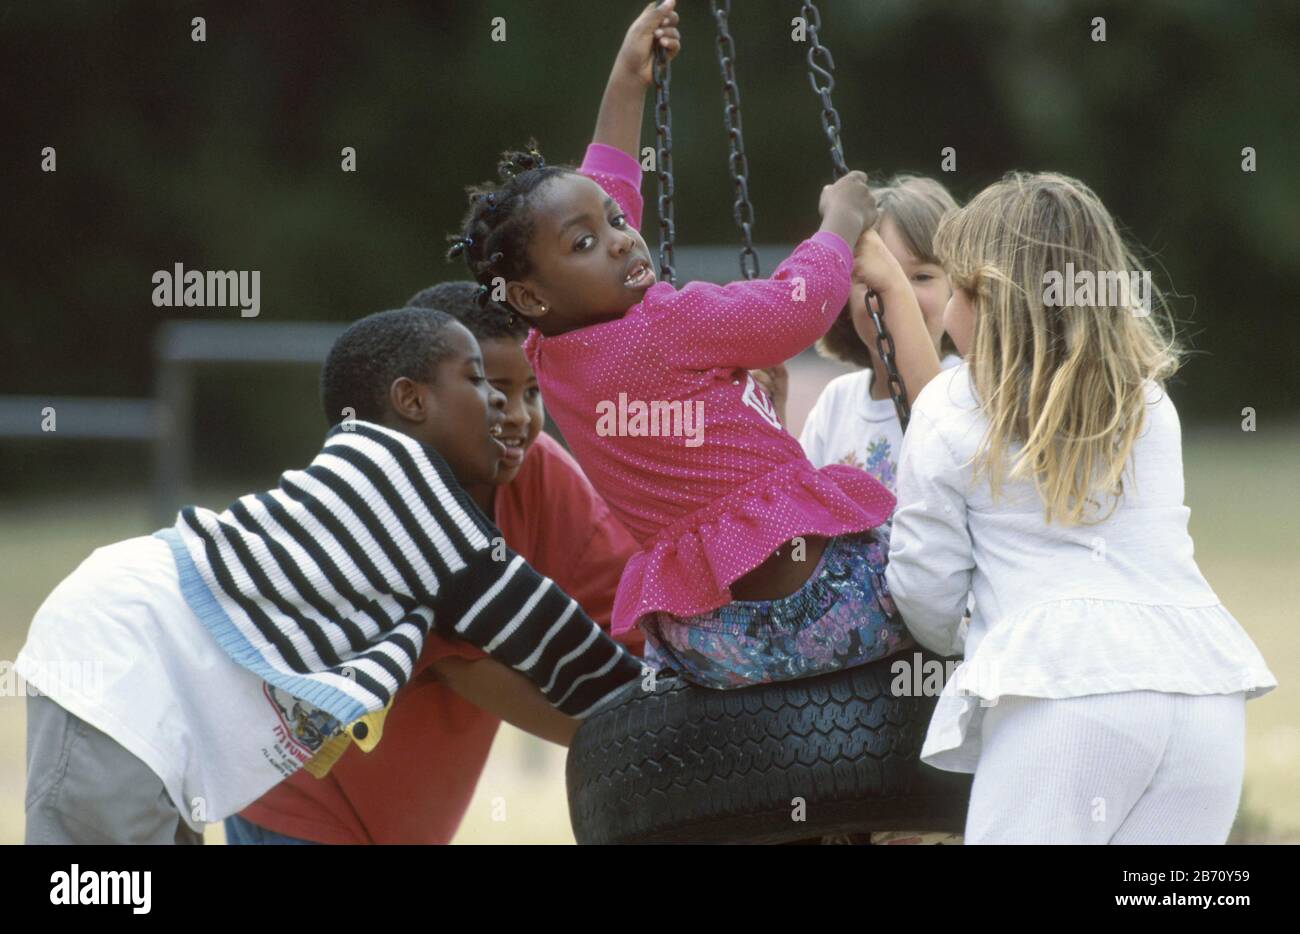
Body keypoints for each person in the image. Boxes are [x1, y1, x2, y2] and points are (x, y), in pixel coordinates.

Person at [447, 0, 941, 690]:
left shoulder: (548, 355)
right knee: (947, 558)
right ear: (534, 296)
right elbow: (794, 312)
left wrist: (626, 79)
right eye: (586, 242)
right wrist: (838, 225)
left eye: (618, 222)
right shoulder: (668, 324)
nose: (621, 237)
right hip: (829, 609)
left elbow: (603, 190)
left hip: (715, 647)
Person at [18, 306, 642, 844]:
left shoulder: (373, 471)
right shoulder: (406, 492)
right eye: (479, 381)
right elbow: (536, 624)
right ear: (411, 401)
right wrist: (652, 701)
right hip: (125, 652)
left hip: (154, 666)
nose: (501, 407)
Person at [886, 171, 1277, 844]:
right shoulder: (1149, 403)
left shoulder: (948, 407)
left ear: (990, 299)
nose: (946, 316)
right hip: (1203, 703)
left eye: (957, 291)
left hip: (1065, 702)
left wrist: (977, 641)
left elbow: (924, 590)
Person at [227, 283, 643, 844]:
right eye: (491, 388)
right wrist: (650, 735)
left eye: (532, 391)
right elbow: (468, 668)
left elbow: (634, 619)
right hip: (300, 800)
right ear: (418, 399)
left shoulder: (539, 477)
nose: (515, 416)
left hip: (408, 822)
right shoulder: (386, 504)